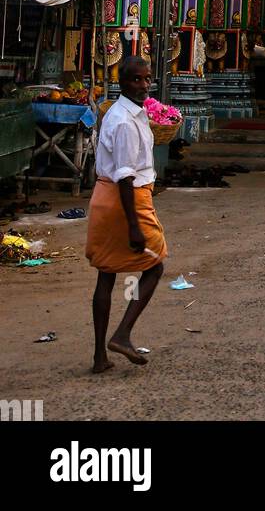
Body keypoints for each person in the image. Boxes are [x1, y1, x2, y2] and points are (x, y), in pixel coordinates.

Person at [85, 56, 167, 372]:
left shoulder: (127, 113)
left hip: (108, 197)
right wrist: (134, 226)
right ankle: (121, 334)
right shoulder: (123, 121)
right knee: (155, 265)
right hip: (126, 200)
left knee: (106, 273)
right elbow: (125, 176)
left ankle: (99, 357)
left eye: (147, 79)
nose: (144, 85)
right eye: (137, 79)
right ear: (123, 82)